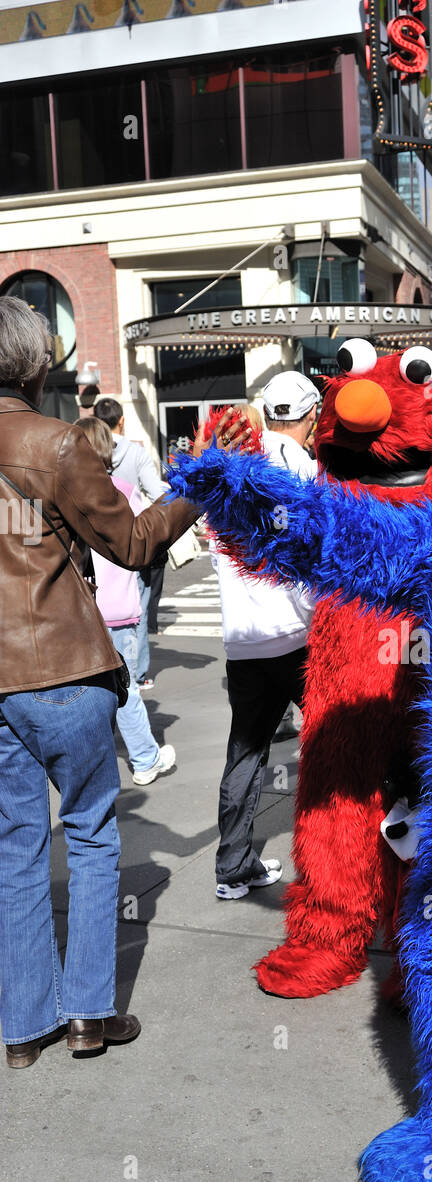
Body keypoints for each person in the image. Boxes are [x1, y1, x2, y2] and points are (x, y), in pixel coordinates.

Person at [0, 297, 199, 1068]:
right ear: (35, 363)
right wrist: (202, 485)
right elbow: (137, 544)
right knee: (88, 836)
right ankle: (88, 1012)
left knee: (16, 849)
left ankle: (23, 1026)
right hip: (65, 670)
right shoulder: (54, 444)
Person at [206, 375, 320, 900]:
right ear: (311, 415)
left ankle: (233, 867)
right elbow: (308, 557)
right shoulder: (301, 468)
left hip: (243, 638)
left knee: (245, 753)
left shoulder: (229, 467)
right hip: (296, 633)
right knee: (331, 746)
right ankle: (337, 864)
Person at [75, 417, 176, 785]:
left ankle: (96, 763)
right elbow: (146, 541)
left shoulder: (65, 493)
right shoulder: (122, 490)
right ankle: (146, 757)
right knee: (126, 687)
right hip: (120, 607)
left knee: (91, 691)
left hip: (83, 610)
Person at [93, 396, 168, 690]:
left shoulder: (85, 452)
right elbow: (156, 491)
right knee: (136, 606)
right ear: (121, 420)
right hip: (131, 542)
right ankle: (137, 673)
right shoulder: (135, 455)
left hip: (96, 546)